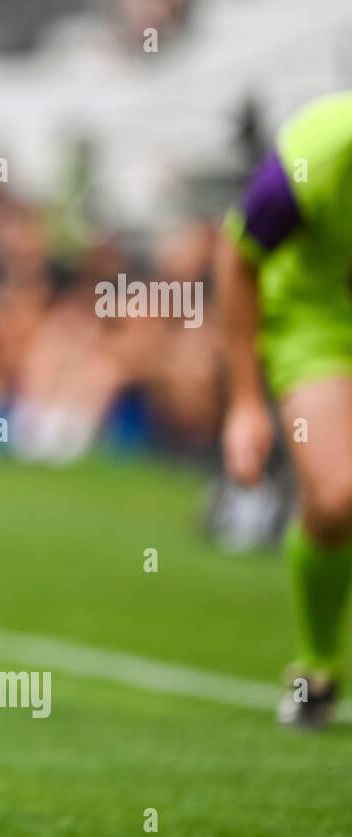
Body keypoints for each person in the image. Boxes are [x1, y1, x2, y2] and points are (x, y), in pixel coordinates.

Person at [218, 91, 352, 729]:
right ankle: (318, 665)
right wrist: (247, 403)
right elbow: (238, 254)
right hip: (315, 318)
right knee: (337, 498)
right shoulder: (321, 149)